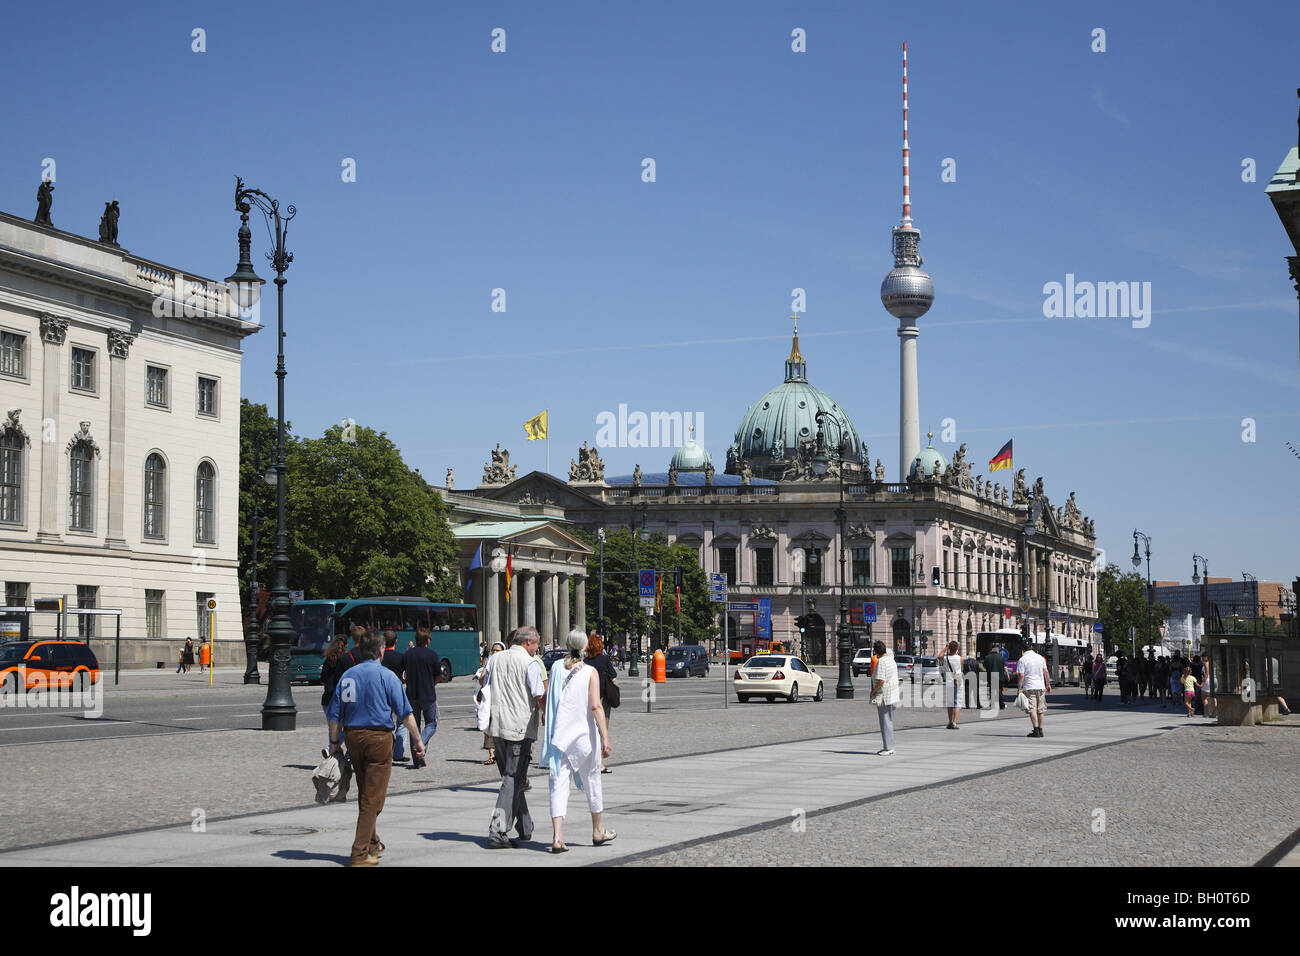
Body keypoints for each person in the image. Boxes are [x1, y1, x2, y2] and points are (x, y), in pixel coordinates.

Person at [325, 629, 423, 866]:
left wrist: (335, 743)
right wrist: (418, 741)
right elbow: (406, 714)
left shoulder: (348, 676)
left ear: (359, 650)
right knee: (373, 798)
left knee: (366, 792)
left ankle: (373, 843)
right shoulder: (387, 676)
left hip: (353, 738)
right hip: (379, 739)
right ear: (381, 651)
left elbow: (334, 715)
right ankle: (360, 853)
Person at [542, 628, 614, 852]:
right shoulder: (589, 671)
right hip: (584, 737)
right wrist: (605, 737)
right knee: (593, 780)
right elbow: (595, 706)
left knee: (558, 784)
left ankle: (557, 837)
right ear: (584, 648)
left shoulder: (555, 667)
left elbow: (550, 700)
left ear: (566, 644)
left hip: (560, 737)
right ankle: (597, 830)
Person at [480, 626, 546, 848]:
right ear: (528, 642)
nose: (537, 649)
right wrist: (547, 712)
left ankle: (525, 826)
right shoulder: (530, 663)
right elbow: (539, 695)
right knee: (511, 779)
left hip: (497, 727)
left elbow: (483, 685)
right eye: (536, 644)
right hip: (519, 728)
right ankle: (497, 830)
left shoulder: (495, 659)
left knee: (513, 779)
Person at [403, 628, 441, 769]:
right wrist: (433, 683)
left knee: (415, 726)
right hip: (428, 695)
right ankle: (420, 745)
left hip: (411, 694)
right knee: (432, 723)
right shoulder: (432, 655)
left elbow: (403, 674)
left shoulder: (408, 654)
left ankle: (417, 759)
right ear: (427, 640)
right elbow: (438, 675)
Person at [584, 632, 617, 773]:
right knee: (602, 730)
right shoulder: (604, 659)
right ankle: (600, 764)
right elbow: (613, 676)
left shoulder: (585, 661)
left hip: (588, 699)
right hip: (602, 699)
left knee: (590, 729)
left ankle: (590, 761)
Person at [380, 631, 409, 763]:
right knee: (402, 722)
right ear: (396, 642)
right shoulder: (400, 657)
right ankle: (398, 753)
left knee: (384, 721)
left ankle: (383, 750)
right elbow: (404, 676)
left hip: (381, 691)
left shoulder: (380, 657)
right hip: (397, 690)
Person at [475, 642, 505, 765]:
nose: (495, 652)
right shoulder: (489, 663)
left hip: (502, 699)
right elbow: (481, 680)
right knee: (488, 723)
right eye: (493, 650)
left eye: (498, 650)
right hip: (490, 698)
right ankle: (492, 754)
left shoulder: (505, 663)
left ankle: (499, 752)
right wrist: (487, 669)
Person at [870, 640, 899, 756]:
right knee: (890, 721)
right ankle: (889, 746)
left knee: (885, 722)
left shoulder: (881, 662)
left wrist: (873, 691)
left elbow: (881, 680)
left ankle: (888, 747)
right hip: (893, 694)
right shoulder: (892, 660)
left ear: (876, 651)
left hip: (885, 695)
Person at [319, 636, 349, 748]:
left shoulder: (327, 660)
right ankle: (330, 749)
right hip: (338, 698)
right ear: (345, 646)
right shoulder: (344, 661)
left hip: (326, 698)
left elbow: (322, 679)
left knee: (331, 729)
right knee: (344, 729)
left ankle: (332, 754)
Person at [1017, 642, 1050, 737]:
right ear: (1032, 648)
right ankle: (1040, 729)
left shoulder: (1022, 659)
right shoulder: (1040, 658)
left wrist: (1019, 688)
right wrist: (1048, 685)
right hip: (1041, 686)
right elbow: (1046, 672)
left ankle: (1036, 730)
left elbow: (1021, 675)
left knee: (1032, 709)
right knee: (1041, 709)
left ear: (1023, 650)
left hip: (1029, 686)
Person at [941, 641, 963, 729]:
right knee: (957, 702)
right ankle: (954, 723)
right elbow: (961, 668)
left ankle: (950, 721)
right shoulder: (960, 658)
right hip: (958, 679)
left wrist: (946, 648)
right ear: (957, 648)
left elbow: (939, 656)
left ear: (949, 648)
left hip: (949, 680)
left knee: (950, 702)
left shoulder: (946, 658)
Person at [984, 644, 1008, 709]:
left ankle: (993, 704)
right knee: (999, 691)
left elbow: (985, 667)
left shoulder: (987, 657)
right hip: (1000, 677)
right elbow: (1003, 667)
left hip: (991, 676)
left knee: (992, 691)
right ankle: (1001, 705)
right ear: (997, 651)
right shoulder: (1001, 658)